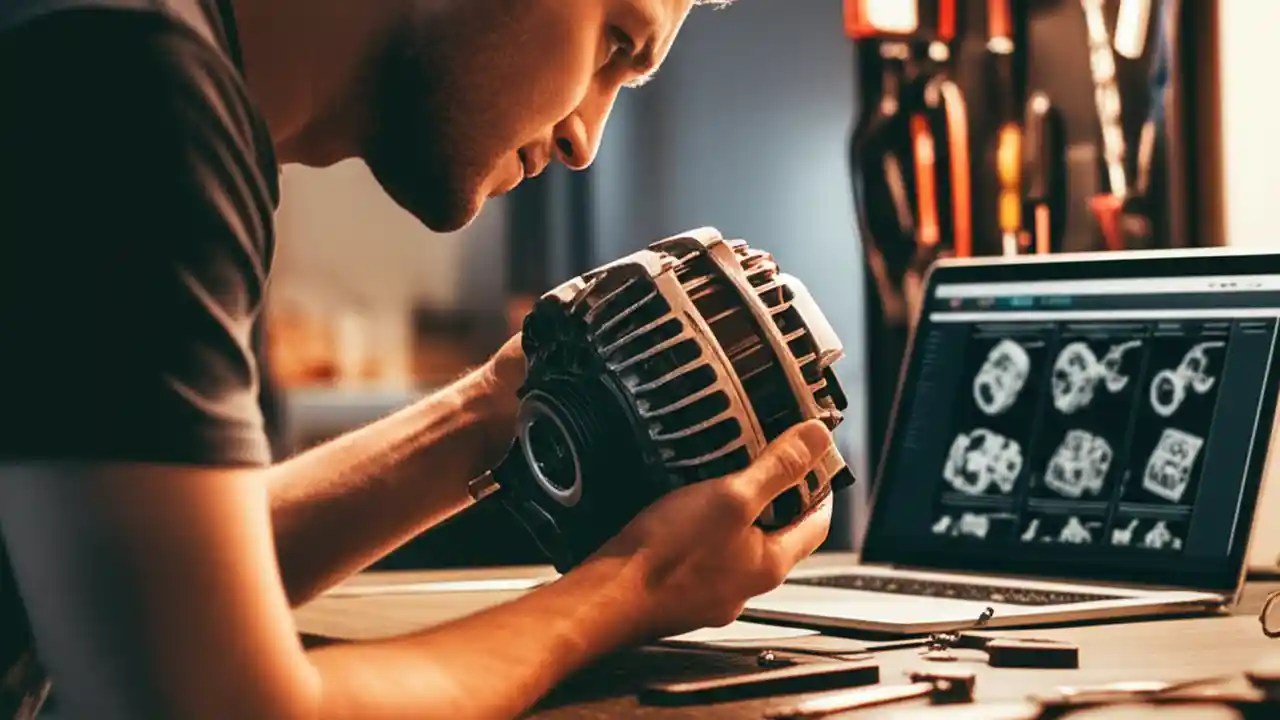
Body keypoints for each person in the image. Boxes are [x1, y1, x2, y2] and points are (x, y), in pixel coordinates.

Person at [0, 0, 836, 717]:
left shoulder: (115, 52)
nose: (587, 137)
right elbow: (211, 707)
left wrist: (487, 414)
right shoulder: (131, 90)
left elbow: (132, 596)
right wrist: (635, 585)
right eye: (616, 42)